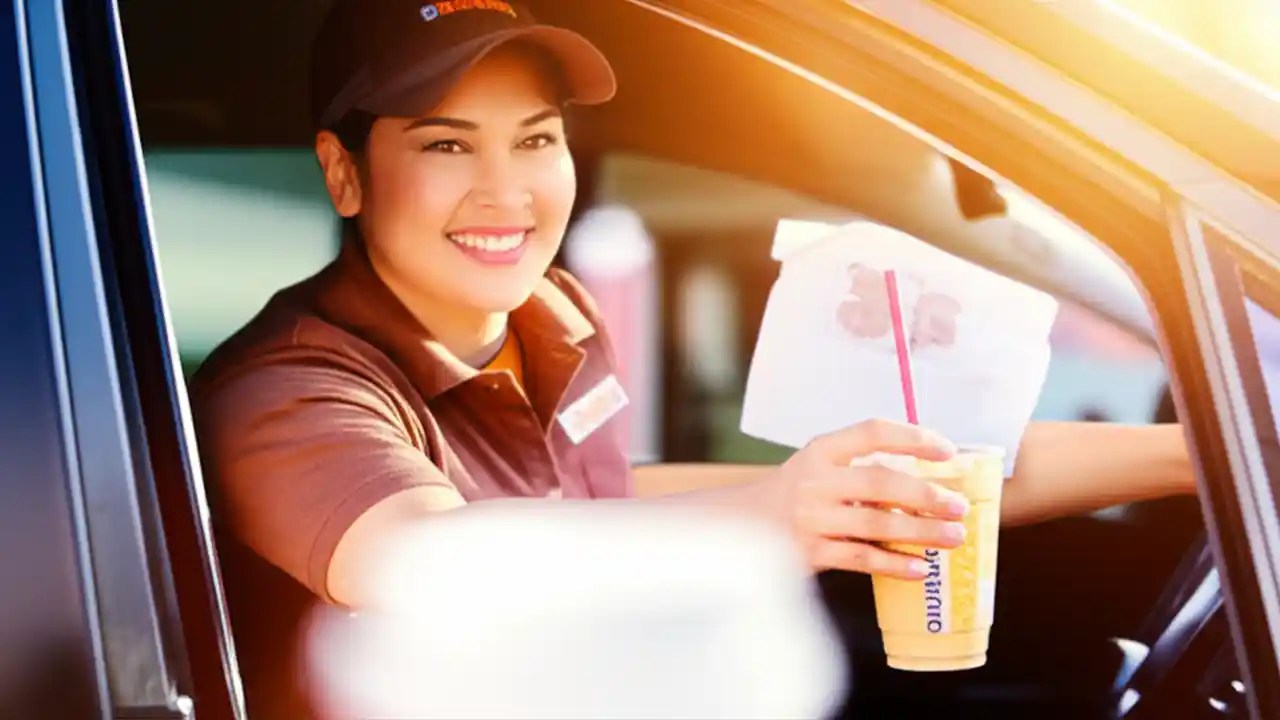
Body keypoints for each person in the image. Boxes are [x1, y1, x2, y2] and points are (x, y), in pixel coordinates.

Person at [190, 1, 1195, 716]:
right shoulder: (287, 391)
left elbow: (604, 507)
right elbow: (427, 563)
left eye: (536, 141)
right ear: (344, 173)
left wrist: (1209, 454)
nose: (509, 194)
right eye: (447, 147)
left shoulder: (548, 319)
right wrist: (781, 509)